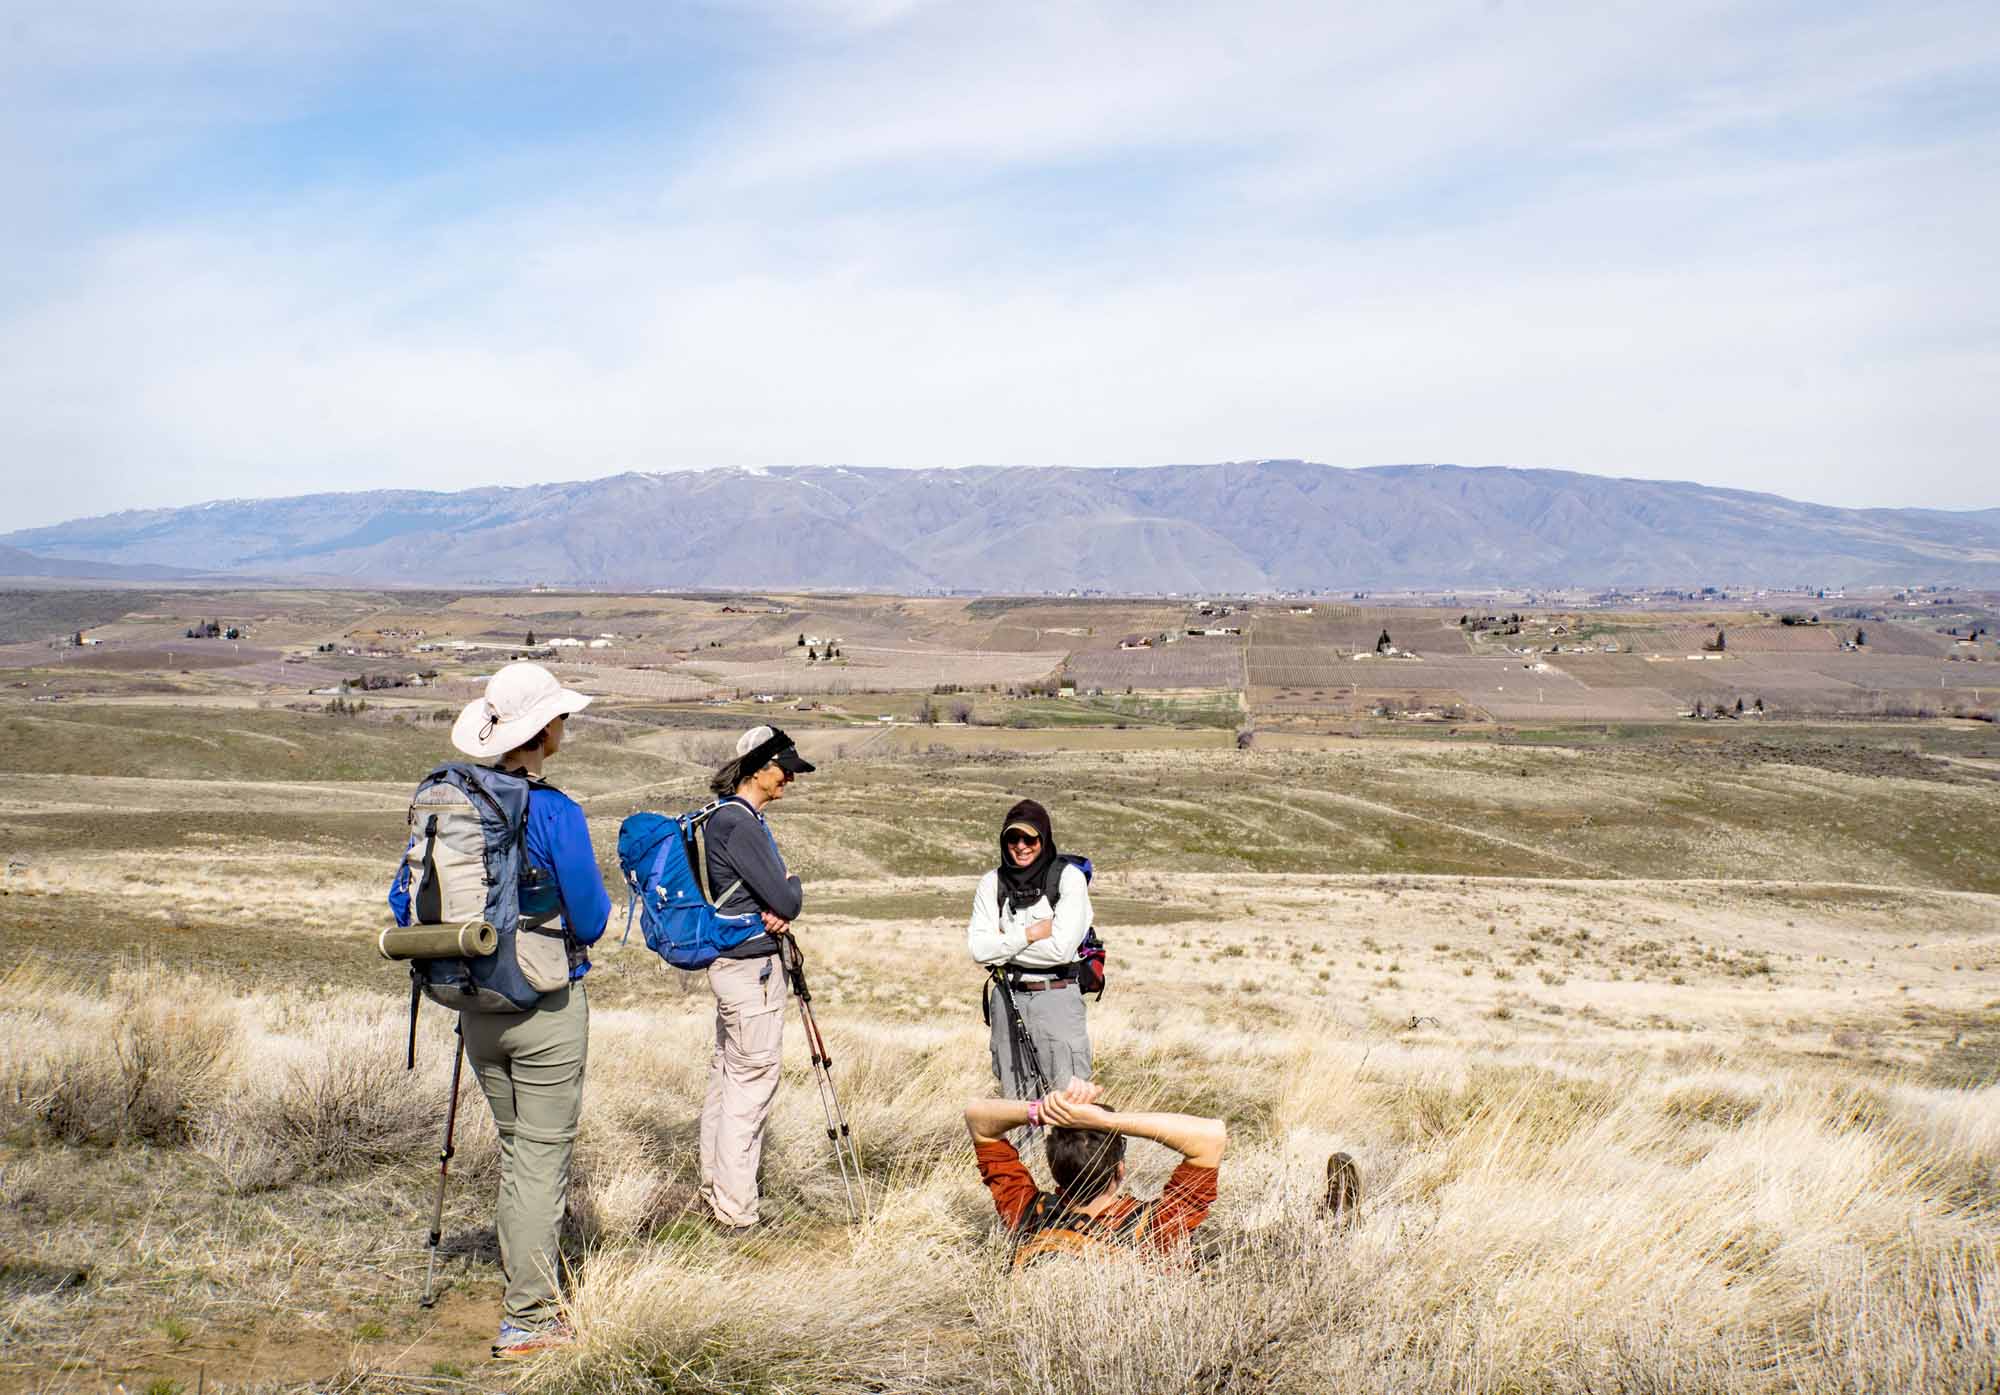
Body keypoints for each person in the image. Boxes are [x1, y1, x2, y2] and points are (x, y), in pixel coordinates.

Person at [393, 661, 611, 1360]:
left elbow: (406, 903)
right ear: (544, 729)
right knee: (540, 1158)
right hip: (543, 1005)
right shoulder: (553, 810)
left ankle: (527, 1286)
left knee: (522, 1152)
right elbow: (595, 917)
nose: (565, 725)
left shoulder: (447, 801)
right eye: (560, 716)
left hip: (471, 1003)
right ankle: (530, 1317)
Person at [697, 724, 815, 1230]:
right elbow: (785, 899)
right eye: (783, 769)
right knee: (751, 1085)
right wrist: (792, 886)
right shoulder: (740, 823)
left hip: (732, 966)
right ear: (758, 769)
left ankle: (716, 1191)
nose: (789, 777)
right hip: (753, 972)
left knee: (728, 1078)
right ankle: (737, 1210)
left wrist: (778, 899)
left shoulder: (721, 819)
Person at [964, 1080, 1225, 1267]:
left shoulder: (1027, 1211)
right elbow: (1211, 1136)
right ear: (1119, 1170)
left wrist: (1045, 1110)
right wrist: (1107, 1121)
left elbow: (976, 1116)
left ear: (1054, 1167)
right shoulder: (1155, 1228)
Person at [966, 799, 1094, 1100]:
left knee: (1069, 1101)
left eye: (1029, 838)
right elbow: (977, 950)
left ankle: (1073, 1150)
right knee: (1015, 1102)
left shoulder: (1069, 879)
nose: (1021, 846)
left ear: (1044, 838)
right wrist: (1031, 933)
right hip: (1006, 998)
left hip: (1057, 998)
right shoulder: (991, 883)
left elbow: (1060, 951)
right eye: (1013, 838)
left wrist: (1001, 944)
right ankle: (1027, 1151)